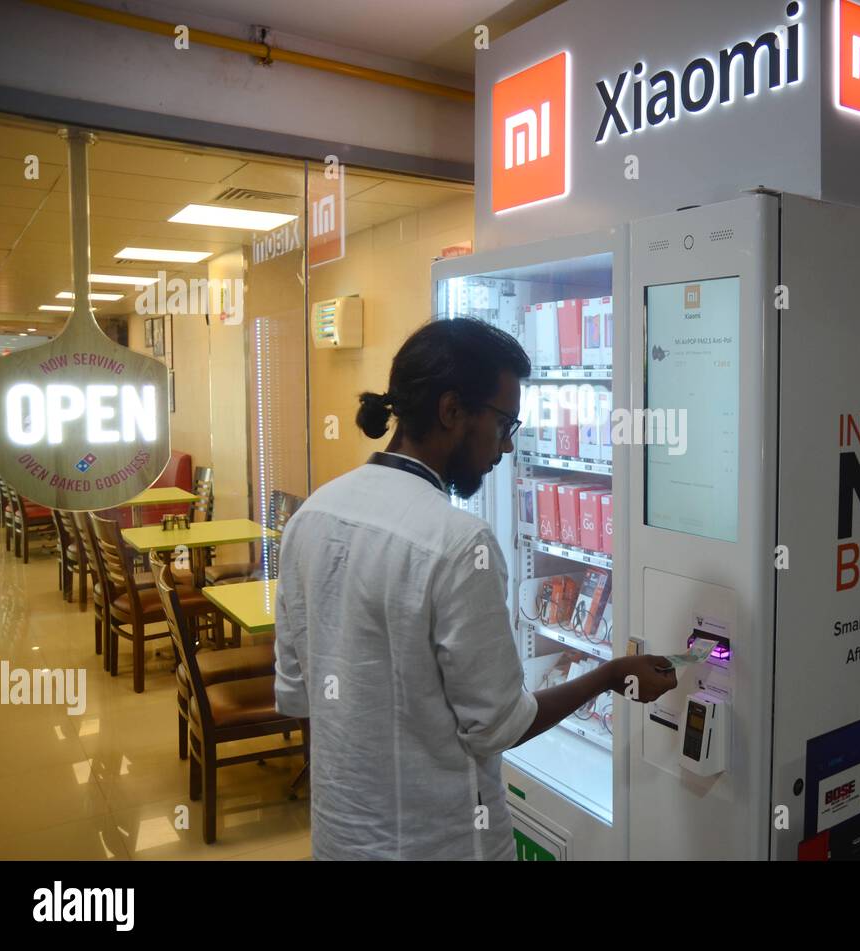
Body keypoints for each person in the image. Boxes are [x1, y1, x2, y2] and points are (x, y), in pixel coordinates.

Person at [274, 318, 677, 860]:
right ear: (451, 411)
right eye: (505, 422)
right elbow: (499, 727)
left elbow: (297, 694)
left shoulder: (312, 514)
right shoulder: (460, 545)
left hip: (339, 837)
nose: (508, 447)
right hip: (442, 844)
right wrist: (608, 675)